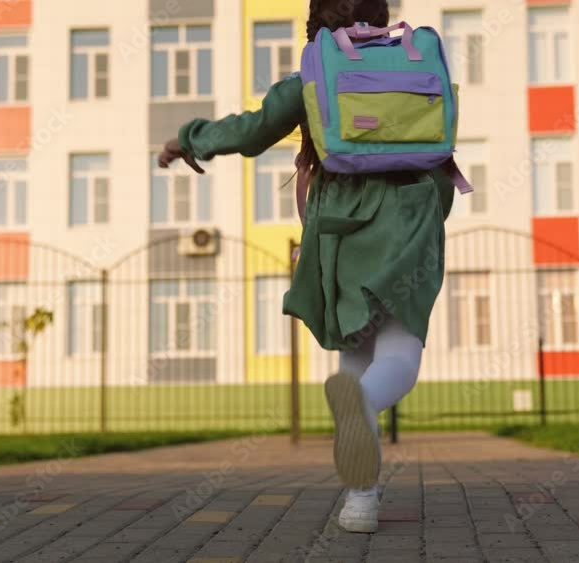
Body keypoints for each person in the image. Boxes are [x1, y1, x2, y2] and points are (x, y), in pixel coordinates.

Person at [157, 0, 455, 534]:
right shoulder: (413, 57)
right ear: (381, 15)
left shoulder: (314, 70)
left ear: (315, 23)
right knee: (400, 353)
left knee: (356, 355)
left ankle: (360, 501)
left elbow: (252, 130)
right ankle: (361, 410)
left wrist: (190, 137)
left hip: (343, 229)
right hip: (412, 221)